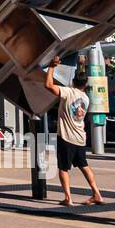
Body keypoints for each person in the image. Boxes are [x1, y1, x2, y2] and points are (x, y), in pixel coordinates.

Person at [44, 56, 104, 206]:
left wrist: (51, 67)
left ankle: (68, 198)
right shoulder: (86, 98)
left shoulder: (68, 92)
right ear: (85, 85)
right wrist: (81, 64)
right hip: (80, 138)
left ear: (72, 82)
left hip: (66, 137)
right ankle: (97, 194)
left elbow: (48, 85)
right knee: (84, 165)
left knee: (63, 168)